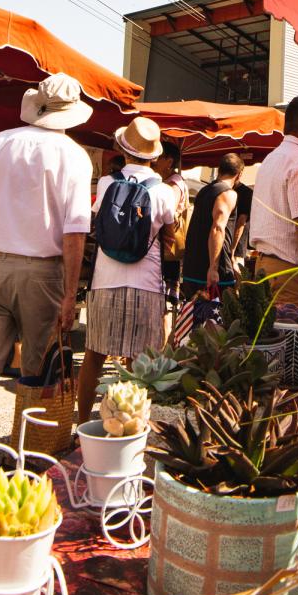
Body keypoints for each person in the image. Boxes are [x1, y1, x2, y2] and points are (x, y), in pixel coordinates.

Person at [0, 73, 92, 488]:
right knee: (40, 379)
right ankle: (31, 476)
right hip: (42, 273)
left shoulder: (1, 142)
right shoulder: (74, 156)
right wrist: (70, 294)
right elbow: (75, 233)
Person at [77, 116, 180, 423]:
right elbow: (170, 239)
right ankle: (129, 427)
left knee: (94, 355)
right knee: (140, 362)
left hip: (104, 282)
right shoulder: (164, 192)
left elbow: (93, 226)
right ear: (156, 156)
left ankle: (83, 424)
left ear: (125, 149)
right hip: (146, 285)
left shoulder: (108, 183)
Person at [249, 95, 298, 303]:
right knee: (293, 334)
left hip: (267, 265)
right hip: (290, 271)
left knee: (273, 333)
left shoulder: (273, 157)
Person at [181, 152, 245, 324]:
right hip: (212, 269)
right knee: (217, 328)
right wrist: (214, 267)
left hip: (193, 266)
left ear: (219, 170)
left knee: (193, 325)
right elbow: (218, 228)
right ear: (239, 174)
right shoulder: (228, 193)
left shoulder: (204, 191)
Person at [155, 137, 190, 309]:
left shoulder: (174, 183)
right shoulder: (168, 181)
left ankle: (166, 335)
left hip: (168, 246)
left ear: (169, 161)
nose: (154, 160)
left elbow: (169, 211)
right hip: (165, 247)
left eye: (159, 156)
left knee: (165, 303)